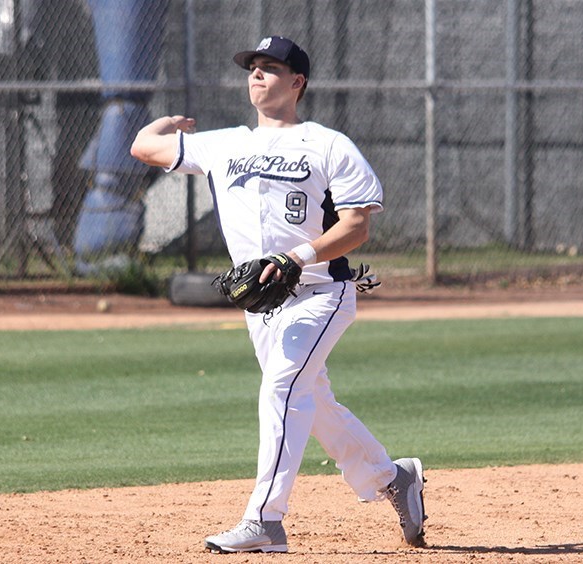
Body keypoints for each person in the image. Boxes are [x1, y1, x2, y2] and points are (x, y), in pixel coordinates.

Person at [130, 36, 426, 554]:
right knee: (314, 402)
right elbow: (142, 148)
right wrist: (169, 126)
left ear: (298, 83)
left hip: (321, 292)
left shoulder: (329, 145)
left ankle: (265, 520)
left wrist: (297, 257)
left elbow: (357, 226)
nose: (258, 75)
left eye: (271, 68)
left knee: (283, 389)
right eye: (253, 68)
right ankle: (391, 478)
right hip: (261, 303)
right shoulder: (224, 144)